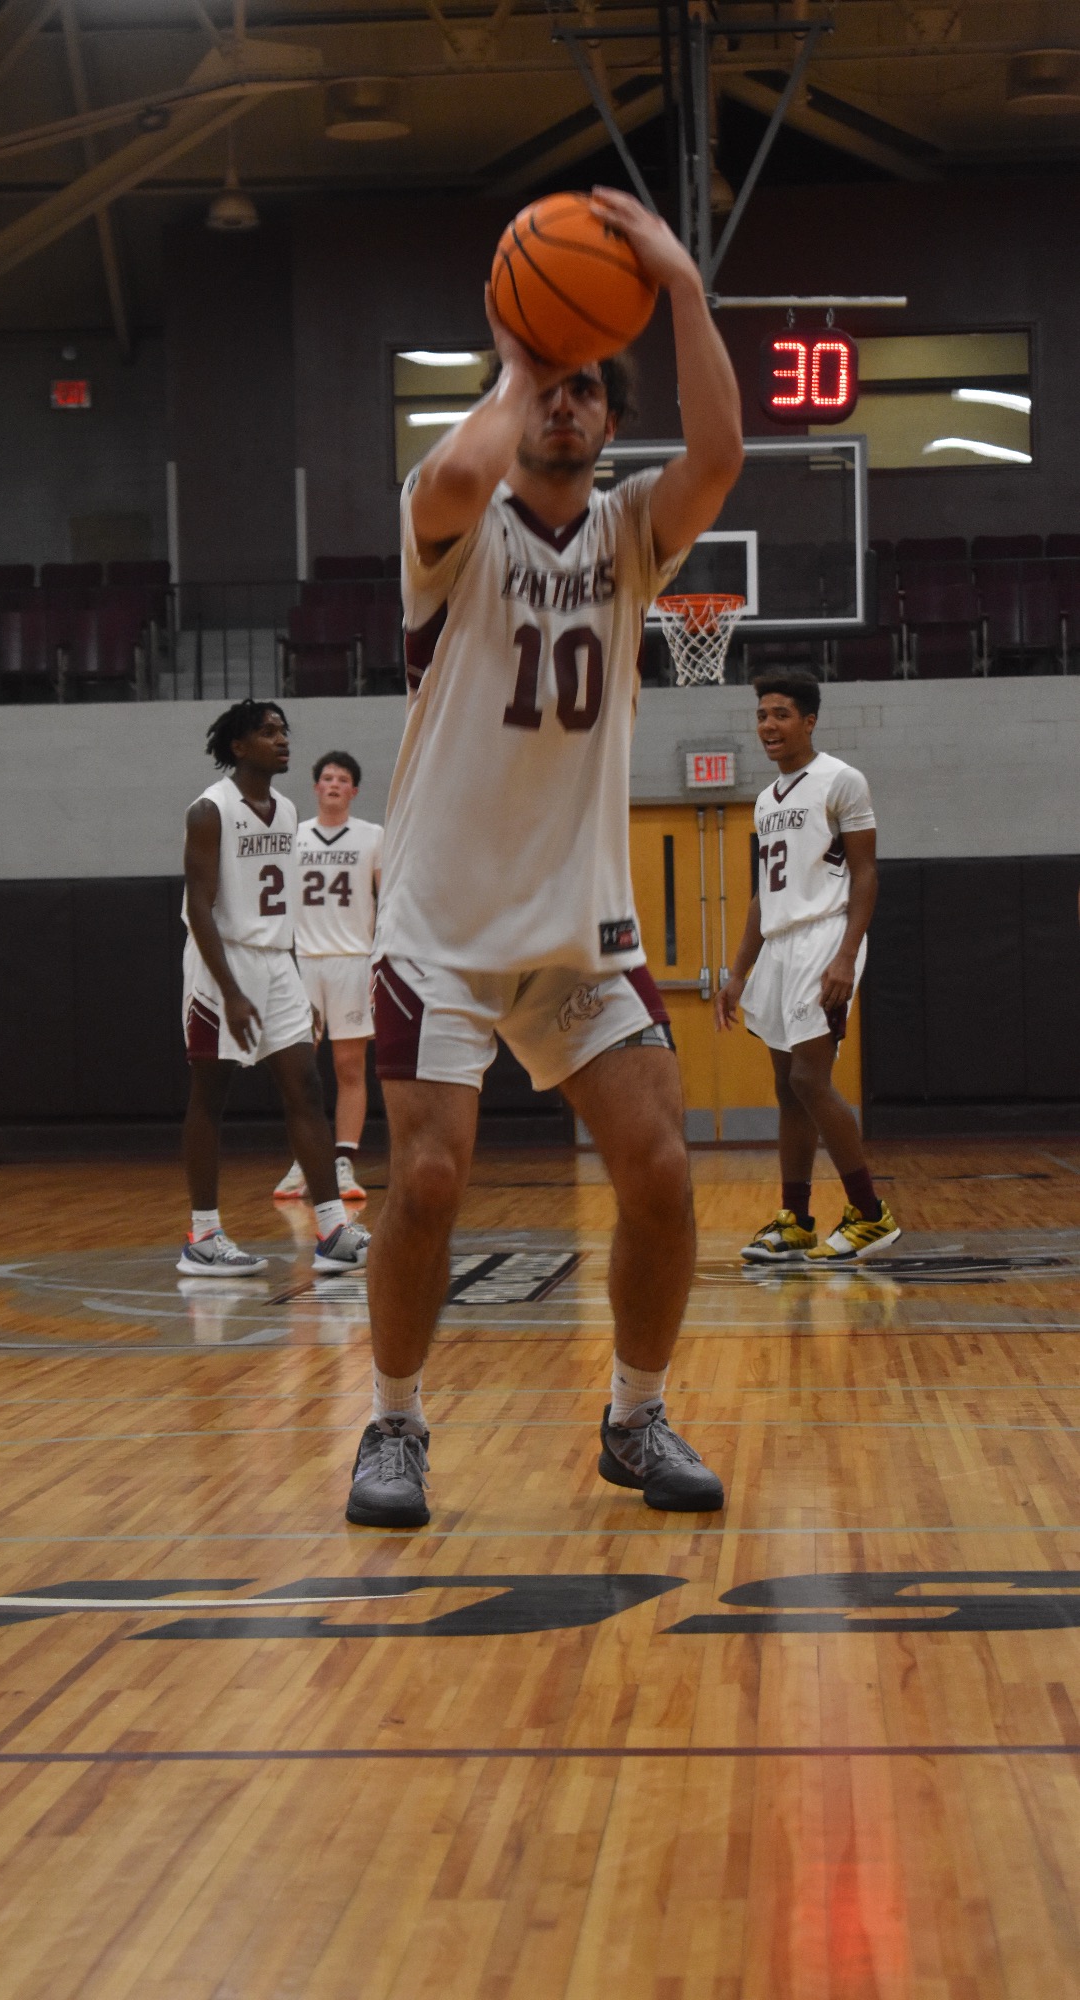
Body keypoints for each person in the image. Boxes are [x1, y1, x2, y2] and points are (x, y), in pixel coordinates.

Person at [343, 185, 744, 1531]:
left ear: (612, 424)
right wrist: (522, 348)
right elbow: (462, 473)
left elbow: (722, 456)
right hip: (442, 928)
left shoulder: (631, 537)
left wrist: (679, 287)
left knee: (662, 1173)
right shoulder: (453, 521)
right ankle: (391, 1427)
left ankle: (634, 1419)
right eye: (546, 388)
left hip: (577, 930)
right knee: (432, 1180)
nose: (563, 406)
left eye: (586, 392)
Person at [177, 699, 370, 1278]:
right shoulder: (209, 811)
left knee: (307, 1086)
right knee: (212, 1094)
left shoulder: (286, 810)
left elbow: (280, 901)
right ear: (238, 746)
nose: (283, 740)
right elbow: (199, 907)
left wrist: (290, 974)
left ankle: (333, 1228)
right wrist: (233, 991)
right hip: (221, 964)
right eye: (268, 732)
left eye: (284, 731)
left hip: (278, 961)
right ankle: (203, 1236)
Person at [714, 670, 900, 1264]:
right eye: (763, 714)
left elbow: (867, 874)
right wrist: (737, 971)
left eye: (782, 714)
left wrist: (846, 953)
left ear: (810, 720)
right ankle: (794, 1219)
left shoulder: (841, 780)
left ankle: (871, 1215)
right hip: (779, 945)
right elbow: (759, 895)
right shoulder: (767, 798)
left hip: (826, 937)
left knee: (808, 1080)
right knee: (785, 1087)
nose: (769, 724)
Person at [275, 750, 383, 1205]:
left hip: (354, 960)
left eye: (342, 779)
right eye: (327, 778)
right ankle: (305, 1158)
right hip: (305, 962)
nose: (334, 784)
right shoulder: (292, 837)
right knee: (300, 1069)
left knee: (349, 1067)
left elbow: (391, 897)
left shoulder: (374, 836)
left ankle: (342, 1161)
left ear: (354, 791)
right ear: (316, 788)